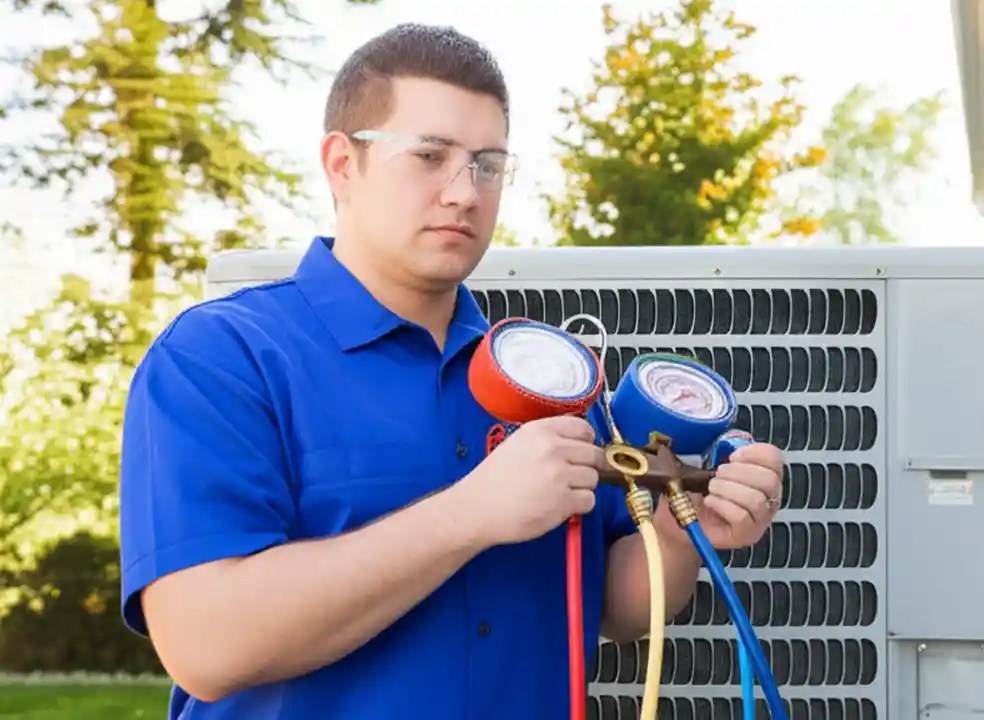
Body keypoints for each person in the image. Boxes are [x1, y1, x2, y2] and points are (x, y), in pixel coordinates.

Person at [118, 22, 785, 720]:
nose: (465, 193)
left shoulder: (552, 377)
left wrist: (684, 531)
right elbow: (208, 646)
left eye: (488, 164)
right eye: (430, 155)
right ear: (343, 163)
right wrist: (471, 514)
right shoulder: (221, 358)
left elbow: (614, 610)